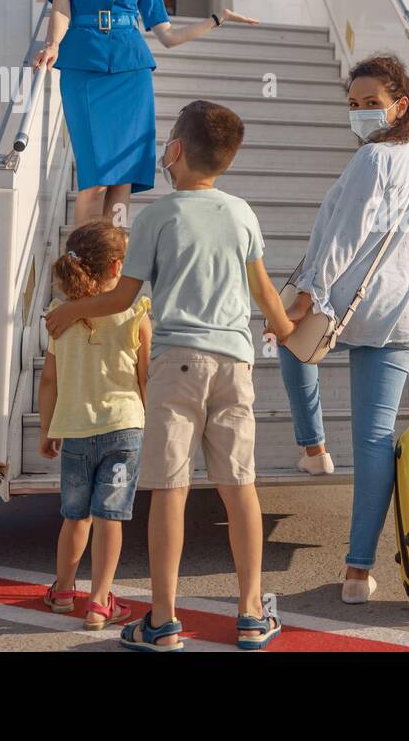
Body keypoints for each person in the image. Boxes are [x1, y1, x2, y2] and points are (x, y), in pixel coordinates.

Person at [45, 100, 295, 651]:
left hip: (177, 364)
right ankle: (252, 614)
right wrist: (292, 332)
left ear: (175, 151)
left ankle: (162, 621)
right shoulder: (242, 213)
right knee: (239, 487)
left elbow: (122, 297)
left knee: (171, 492)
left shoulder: (155, 216)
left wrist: (70, 310)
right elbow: (265, 293)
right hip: (234, 363)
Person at [275, 54, 409, 604]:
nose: (362, 114)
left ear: (401, 104)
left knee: (290, 348)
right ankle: (357, 572)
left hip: (344, 304)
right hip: (395, 315)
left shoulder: (372, 161)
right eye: (354, 105)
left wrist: (308, 294)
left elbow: (345, 234)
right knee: (374, 439)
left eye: (372, 104)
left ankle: (314, 445)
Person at [32, 0, 259, 224]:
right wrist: (52, 44)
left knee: (123, 179)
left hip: (132, 73)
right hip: (85, 66)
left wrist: (217, 19)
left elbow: (167, 36)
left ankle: (114, 252)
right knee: (94, 181)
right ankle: (83, 259)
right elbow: (61, 6)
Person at [38, 219, 151, 631]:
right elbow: (146, 375)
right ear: (117, 267)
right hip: (124, 428)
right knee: (111, 517)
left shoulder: (57, 316)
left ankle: (64, 590)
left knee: (76, 515)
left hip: (75, 431)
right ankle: (101, 601)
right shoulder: (136, 312)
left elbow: (48, 380)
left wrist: (47, 429)